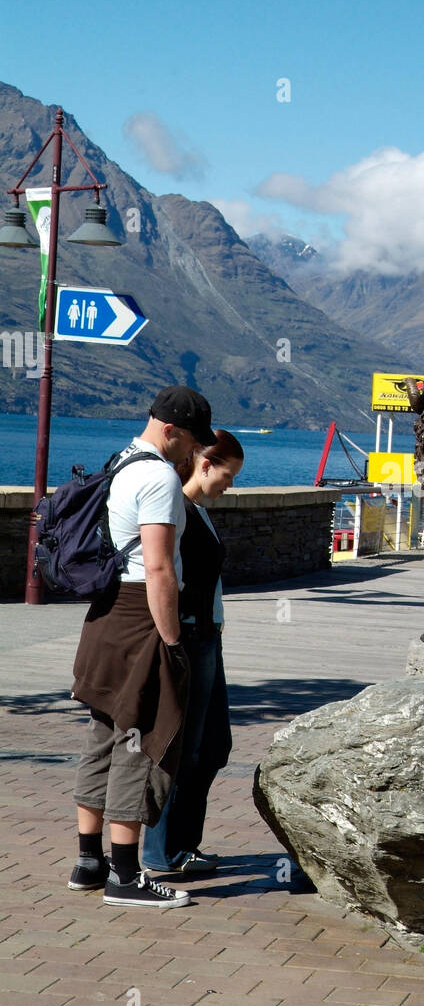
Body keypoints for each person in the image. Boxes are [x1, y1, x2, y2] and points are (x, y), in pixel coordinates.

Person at [68, 386, 216, 909]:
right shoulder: (157, 476)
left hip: (105, 617)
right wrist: (173, 640)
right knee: (141, 739)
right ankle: (126, 876)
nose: (196, 453)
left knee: (104, 735)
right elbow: (158, 568)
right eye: (193, 440)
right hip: (139, 619)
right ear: (171, 430)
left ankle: (89, 862)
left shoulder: (121, 461)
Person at [143, 431, 243, 877]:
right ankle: (162, 850)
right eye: (229, 474)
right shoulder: (179, 512)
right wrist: (174, 643)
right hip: (191, 638)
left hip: (209, 637)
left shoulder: (198, 512)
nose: (231, 485)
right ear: (205, 465)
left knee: (213, 745)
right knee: (184, 746)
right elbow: (162, 574)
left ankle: (184, 844)